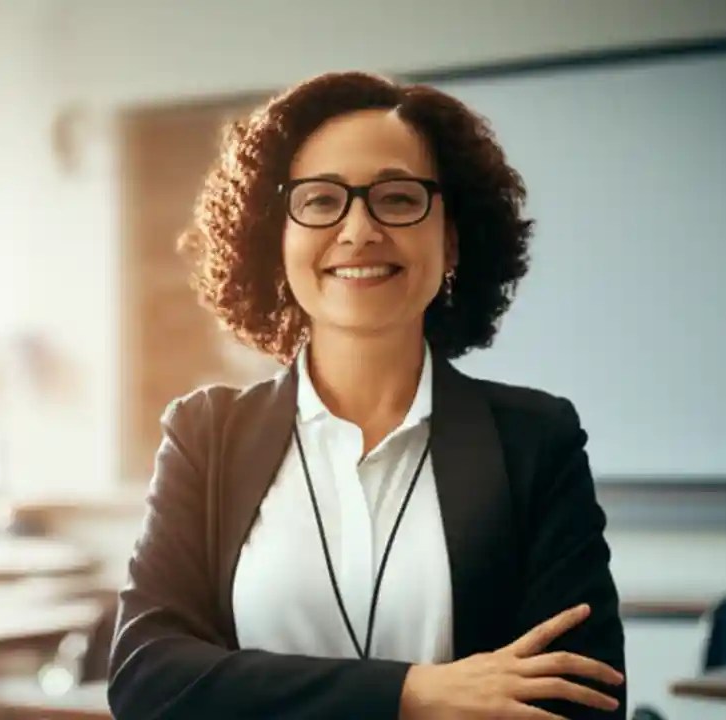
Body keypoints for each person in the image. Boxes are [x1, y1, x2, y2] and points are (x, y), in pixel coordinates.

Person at [107, 71, 626, 719]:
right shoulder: (207, 434)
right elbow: (147, 678)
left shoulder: (533, 439)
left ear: (453, 238)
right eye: (321, 201)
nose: (358, 230)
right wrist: (414, 694)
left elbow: (583, 697)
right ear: (278, 239)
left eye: (398, 198)